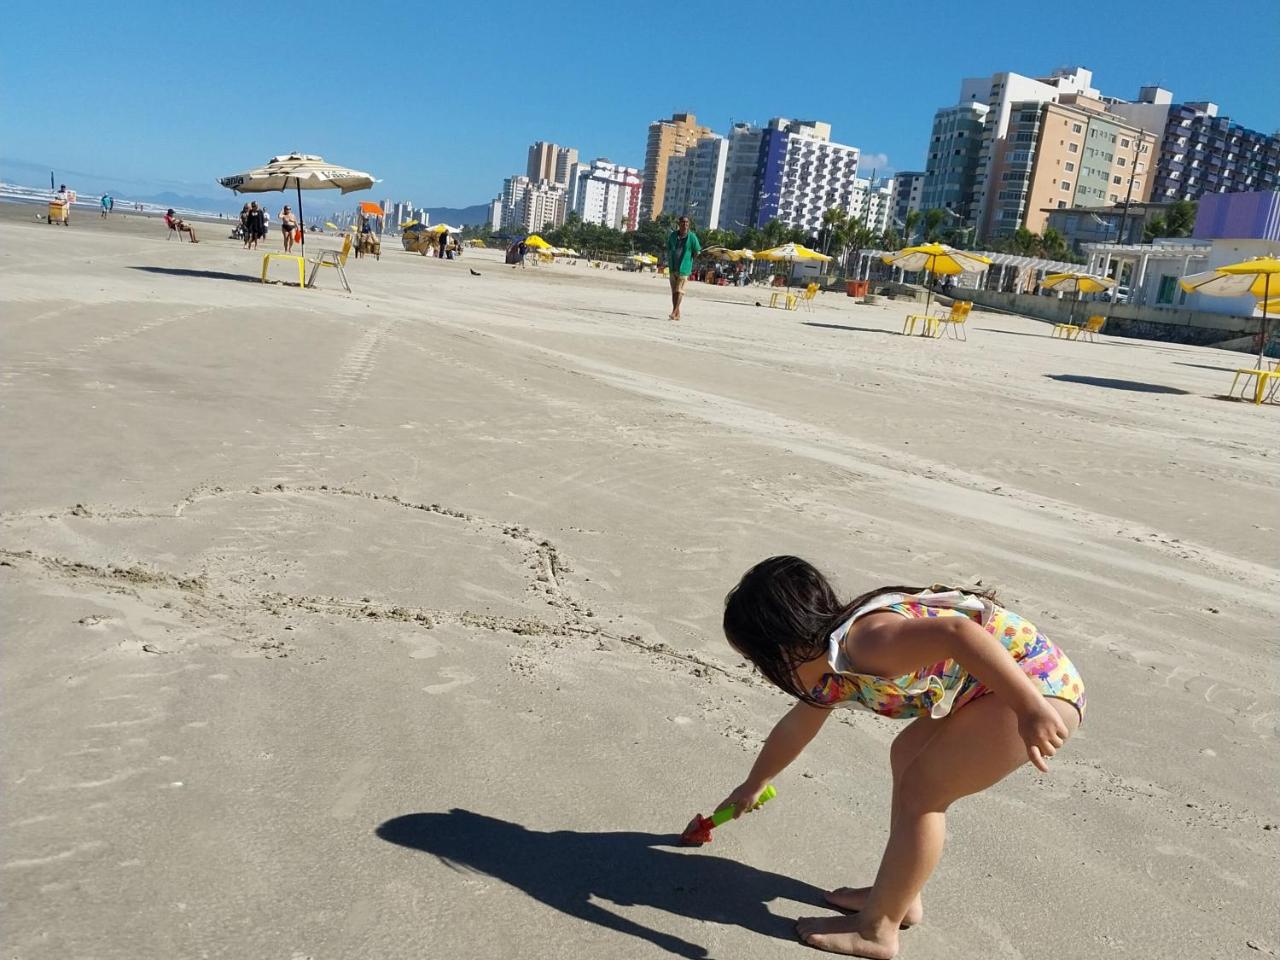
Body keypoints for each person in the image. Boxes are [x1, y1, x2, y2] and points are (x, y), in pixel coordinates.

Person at [713, 556, 1084, 957]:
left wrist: (1029, 709)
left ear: (784, 648)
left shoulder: (867, 642)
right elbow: (795, 728)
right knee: (907, 752)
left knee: (924, 793)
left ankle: (877, 929)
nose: (760, 672)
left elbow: (958, 633)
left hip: (1034, 689)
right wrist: (755, 784)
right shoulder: (830, 669)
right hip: (992, 691)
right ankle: (899, 897)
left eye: (757, 662)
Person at [665, 215, 701, 321]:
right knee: (674, 292)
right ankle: (677, 313)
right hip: (673, 267)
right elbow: (669, 248)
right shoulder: (673, 235)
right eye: (683, 222)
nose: (685, 224)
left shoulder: (692, 237)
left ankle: (673, 312)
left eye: (687, 223)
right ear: (679, 224)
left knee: (680, 291)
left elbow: (697, 251)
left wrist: (690, 261)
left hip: (684, 268)